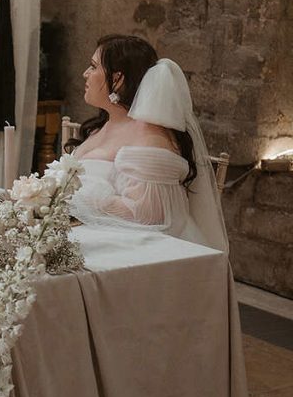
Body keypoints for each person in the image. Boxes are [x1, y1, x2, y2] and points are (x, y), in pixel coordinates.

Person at [68, 34, 228, 250]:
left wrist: (73, 199)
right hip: (87, 235)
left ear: (118, 79)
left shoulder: (151, 137)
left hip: (137, 250)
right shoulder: (101, 127)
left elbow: (147, 214)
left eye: (93, 66)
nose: (85, 74)